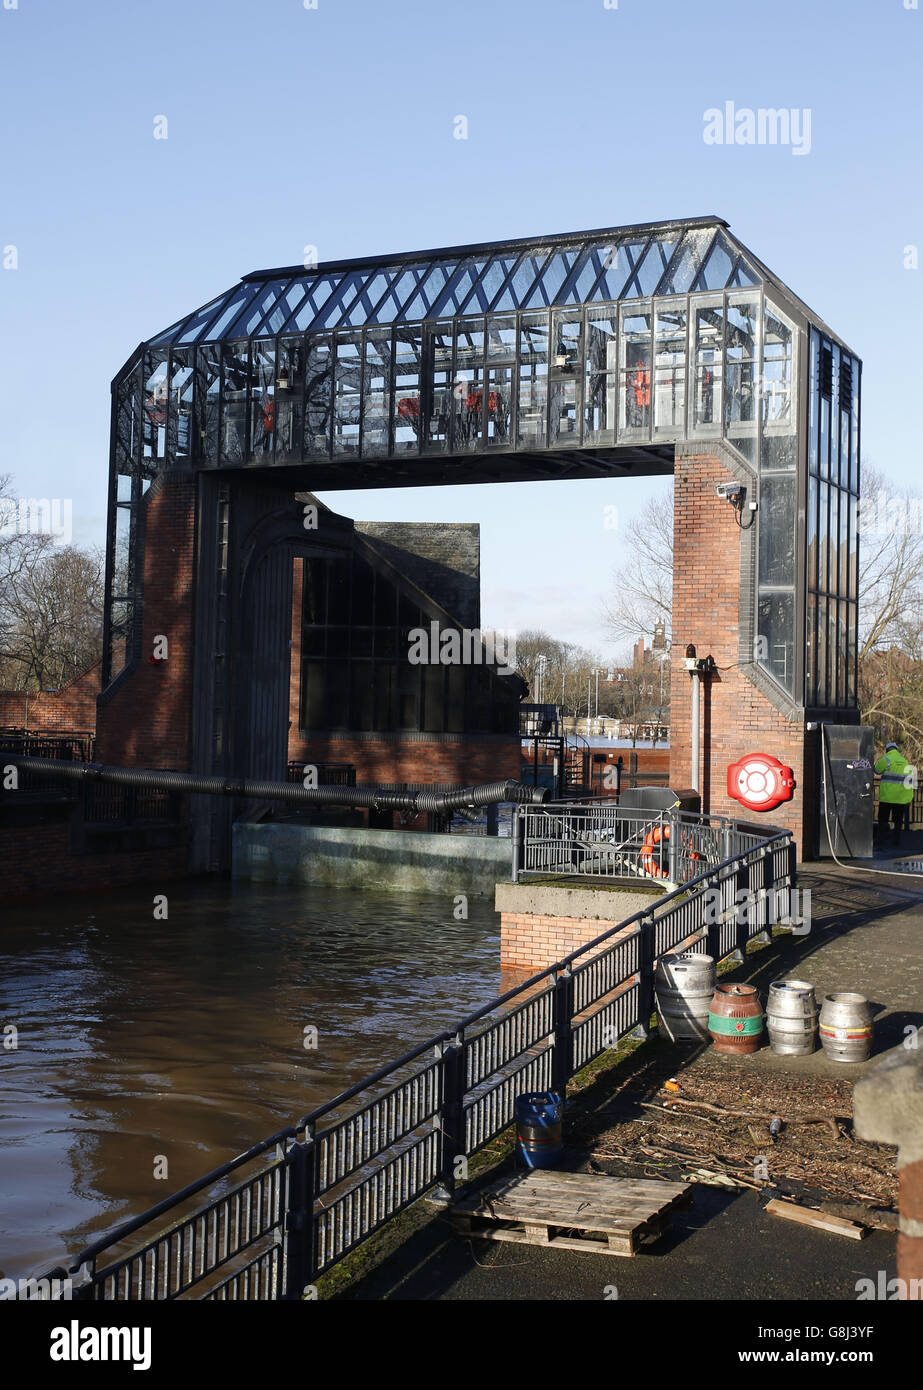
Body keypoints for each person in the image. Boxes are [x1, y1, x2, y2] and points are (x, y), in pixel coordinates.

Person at [874, 740, 915, 847]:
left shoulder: (886, 759)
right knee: (898, 822)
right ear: (897, 750)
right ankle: (896, 842)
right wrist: (908, 798)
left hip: (886, 798)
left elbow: (877, 770)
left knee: (883, 820)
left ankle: (880, 842)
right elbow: (909, 781)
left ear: (887, 750)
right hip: (900, 798)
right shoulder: (905, 761)